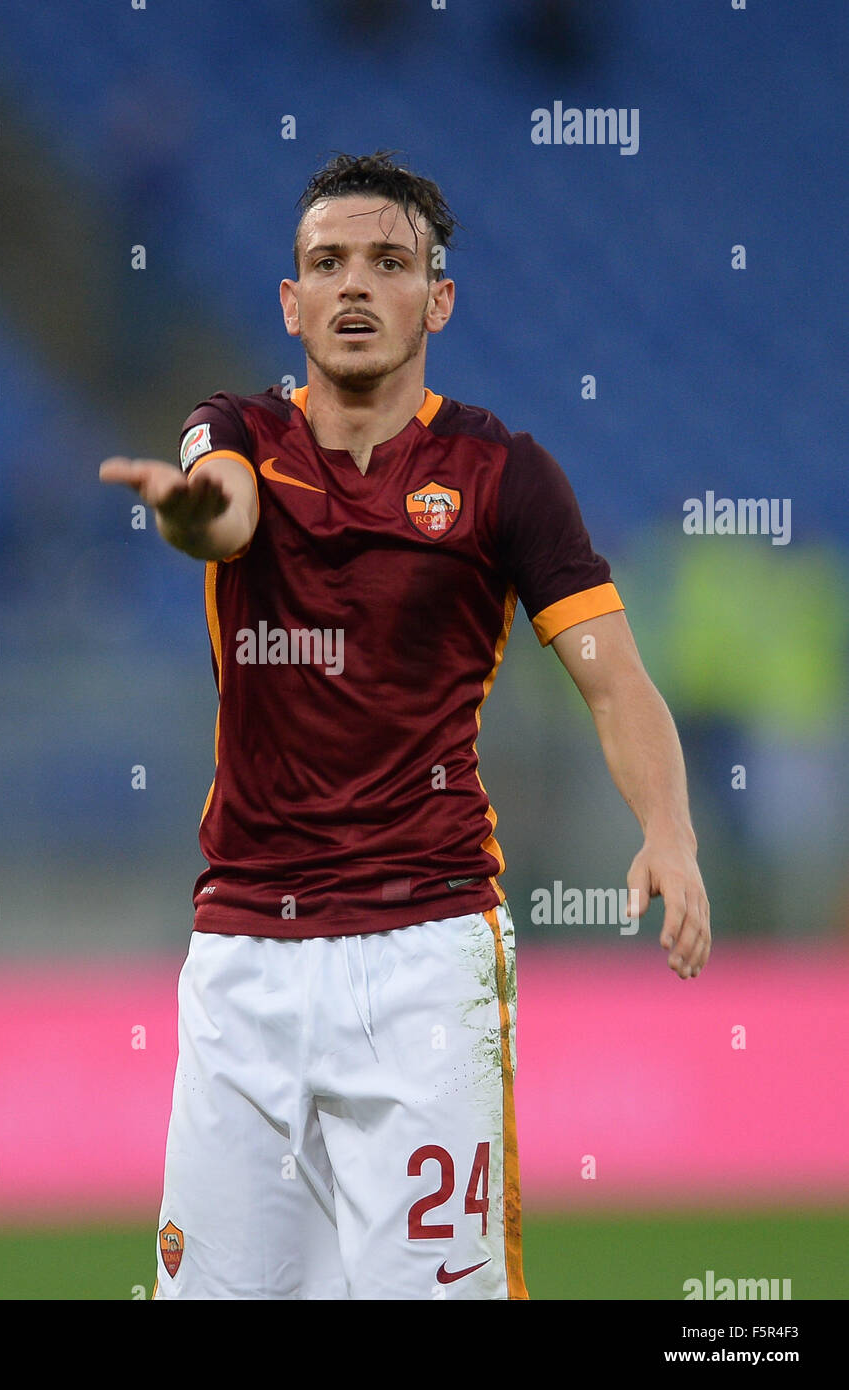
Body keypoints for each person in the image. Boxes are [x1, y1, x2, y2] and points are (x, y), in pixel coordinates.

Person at [99, 150, 710, 1300]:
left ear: (436, 298)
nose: (353, 287)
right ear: (289, 303)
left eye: (388, 262)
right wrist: (190, 514)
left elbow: (614, 681)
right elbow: (219, 515)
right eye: (325, 263)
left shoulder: (502, 475)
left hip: (424, 953)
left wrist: (666, 833)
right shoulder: (231, 430)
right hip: (242, 955)